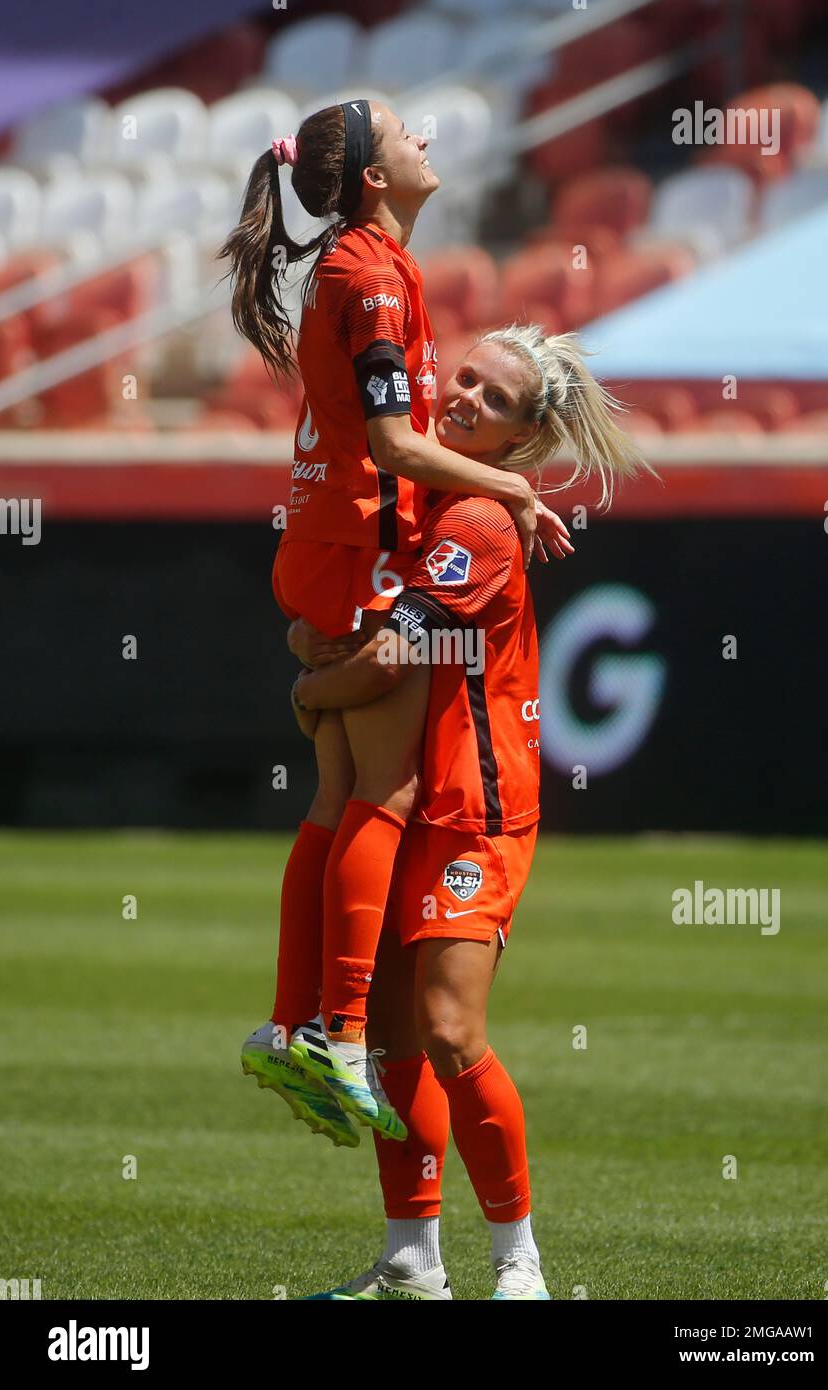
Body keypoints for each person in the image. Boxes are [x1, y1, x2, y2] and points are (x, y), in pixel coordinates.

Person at [219, 99, 568, 1141]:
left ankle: (292, 1027)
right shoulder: (370, 278)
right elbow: (392, 448)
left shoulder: (373, 267)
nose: (423, 135)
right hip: (353, 540)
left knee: (335, 791)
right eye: (403, 130)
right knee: (389, 784)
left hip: (328, 541)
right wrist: (511, 491)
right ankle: (329, 1030)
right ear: (373, 176)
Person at [286, 322, 647, 1298]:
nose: (462, 400)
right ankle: (411, 1258)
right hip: (407, 801)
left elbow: (397, 655)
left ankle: (518, 1257)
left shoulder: (479, 524)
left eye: (492, 401)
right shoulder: (435, 492)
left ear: (521, 439)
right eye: (466, 378)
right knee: (401, 1041)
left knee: (449, 1031)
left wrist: (314, 692)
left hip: (473, 813)